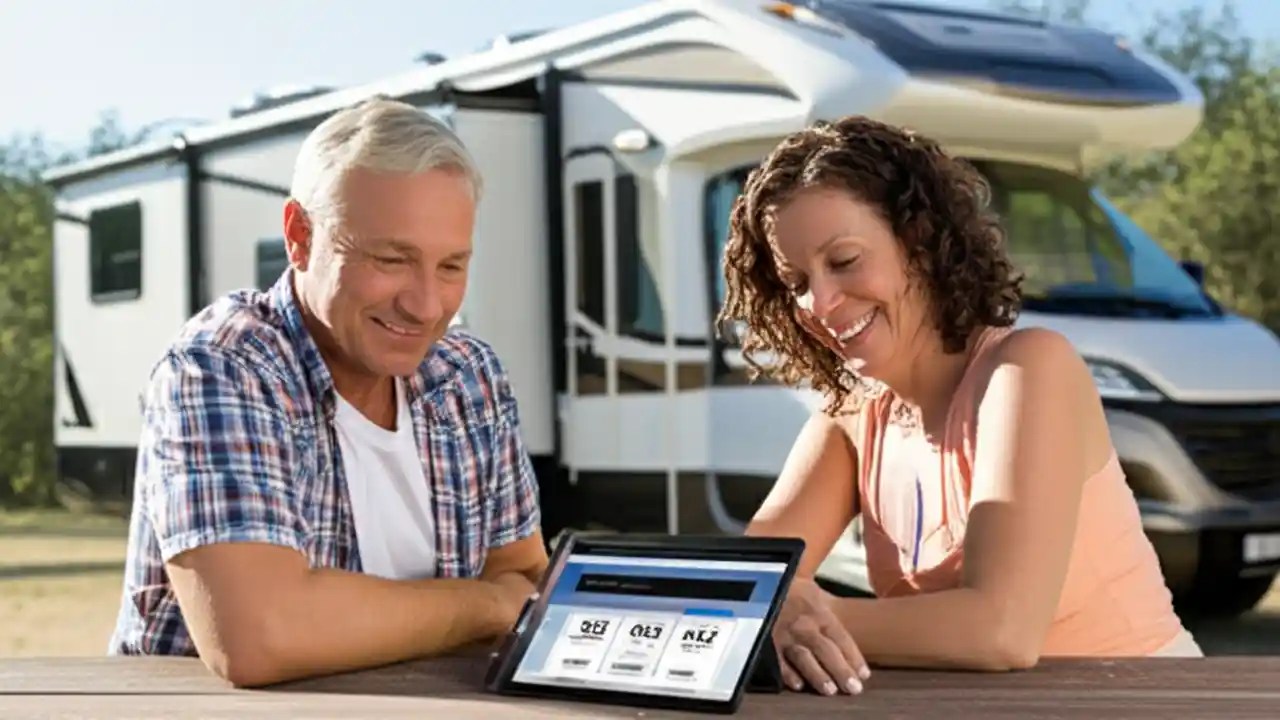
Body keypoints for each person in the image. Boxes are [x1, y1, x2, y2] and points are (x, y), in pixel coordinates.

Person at [718, 116, 1202, 696]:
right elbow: (747, 584)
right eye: (795, 280)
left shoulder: (1027, 368)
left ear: (919, 241)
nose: (818, 302)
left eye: (844, 261)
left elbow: (1001, 628)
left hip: (1146, 702)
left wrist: (793, 616)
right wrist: (771, 605)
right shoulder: (851, 418)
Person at [109, 97, 547, 687]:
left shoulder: (468, 378)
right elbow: (258, 636)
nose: (425, 306)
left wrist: (497, 600)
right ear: (299, 237)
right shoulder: (223, 367)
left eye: (450, 267)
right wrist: (484, 607)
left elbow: (526, 578)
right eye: (392, 259)